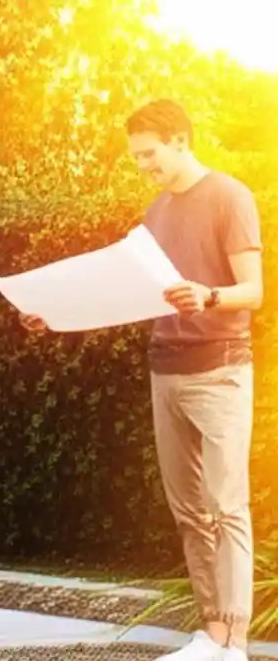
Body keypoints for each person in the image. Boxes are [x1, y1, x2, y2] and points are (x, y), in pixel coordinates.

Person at [21, 99, 263, 661]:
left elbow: (254, 290)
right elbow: (124, 293)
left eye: (149, 154)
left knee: (226, 506)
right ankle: (211, 633)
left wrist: (209, 294)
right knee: (188, 511)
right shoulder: (155, 214)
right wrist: (52, 313)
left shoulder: (230, 197)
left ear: (180, 140)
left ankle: (235, 641)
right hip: (167, 370)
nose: (142, 166)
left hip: (221, 368)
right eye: (136, 157)